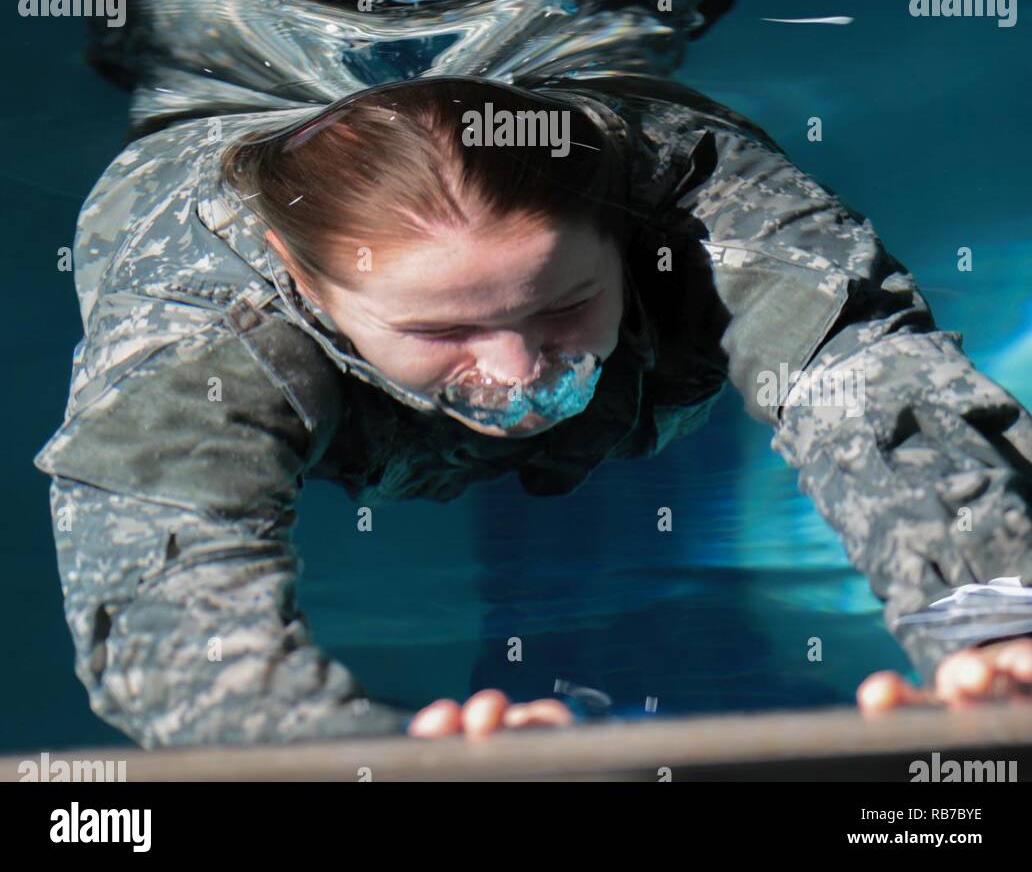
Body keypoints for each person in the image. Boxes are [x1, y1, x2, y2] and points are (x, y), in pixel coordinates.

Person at [35, 72, 1032, 747]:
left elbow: (884, 411)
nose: (515, 373)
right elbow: (165, 597)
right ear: (306, 284)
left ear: (620, 230)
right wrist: (360, 760)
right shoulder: (207, 317)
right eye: (441, 331)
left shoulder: (705, 213)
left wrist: (996, 632)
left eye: (561, 303)